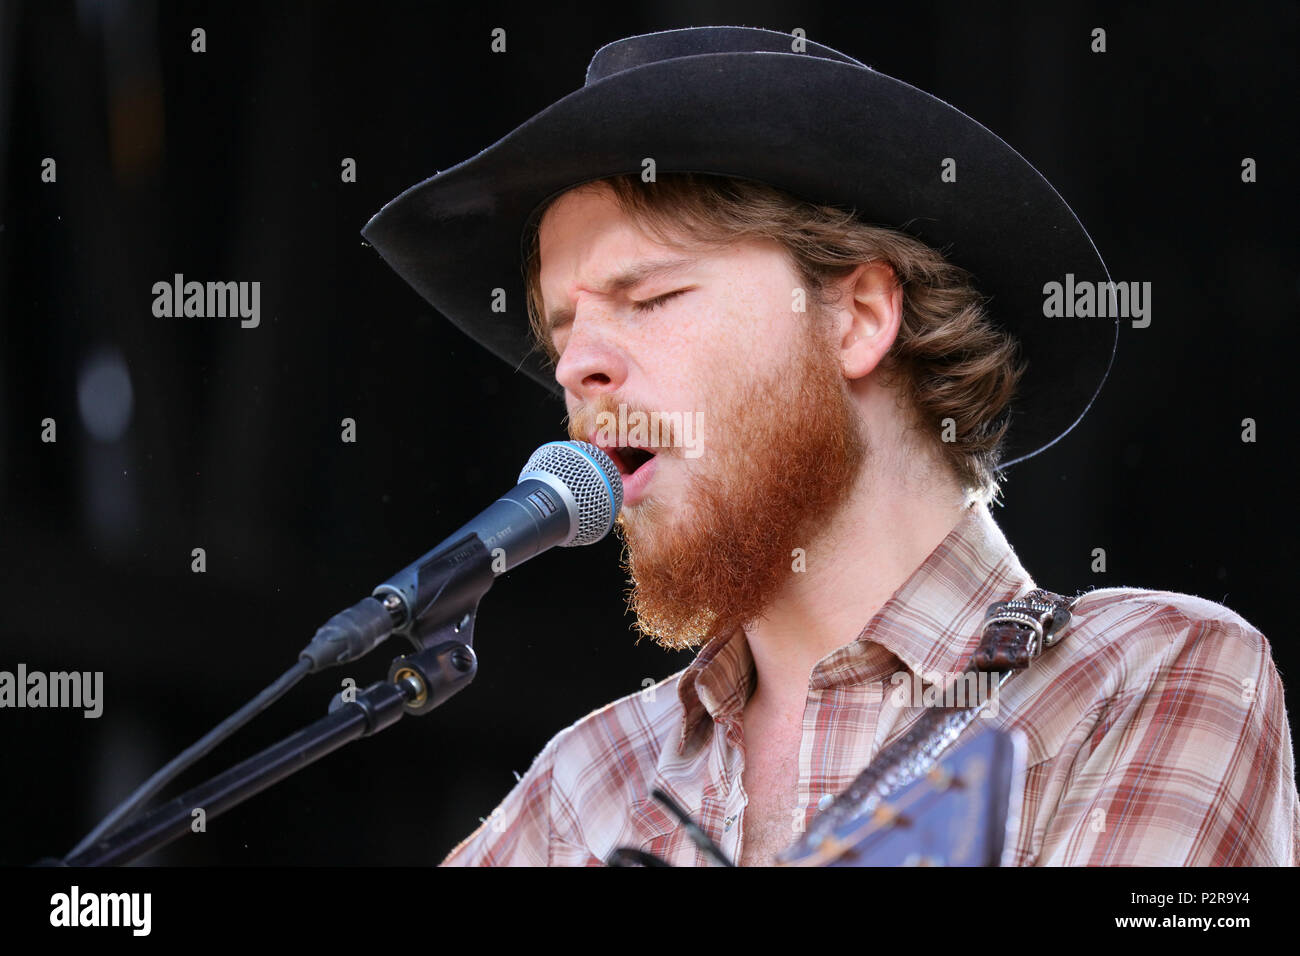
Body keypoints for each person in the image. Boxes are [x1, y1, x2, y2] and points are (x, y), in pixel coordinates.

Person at [361, 27, 1298, 866]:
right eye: (565, 331)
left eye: (650, 299)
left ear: (855, 318)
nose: (578, 369)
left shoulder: (1143, 679)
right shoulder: (578, 789)